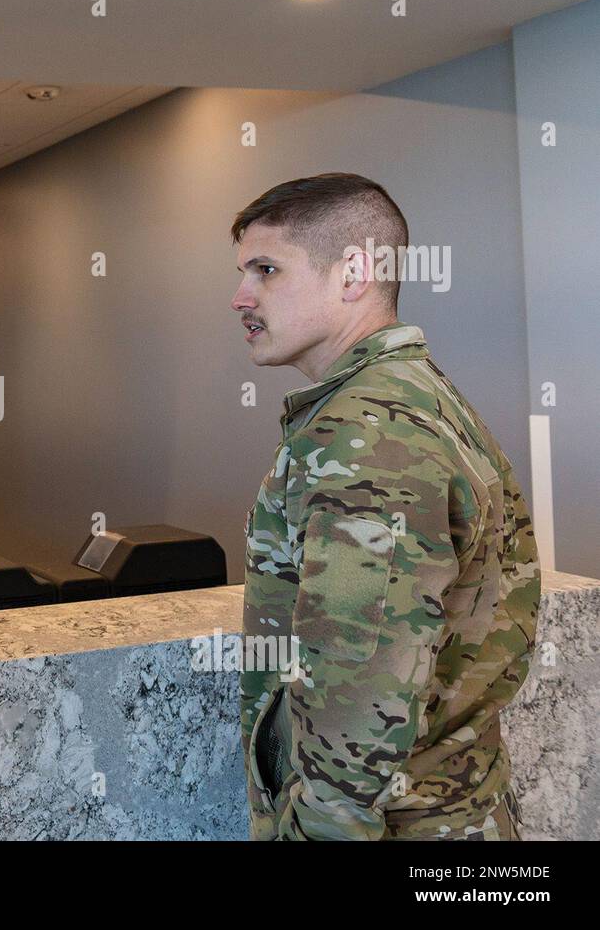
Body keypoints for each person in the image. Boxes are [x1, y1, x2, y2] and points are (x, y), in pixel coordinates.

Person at [231, 172, 539, 841]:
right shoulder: (403, 396)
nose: (241, 297)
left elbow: (357, 698)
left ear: (354, 273)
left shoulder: (369, 431)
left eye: (266, 269)